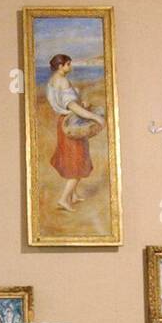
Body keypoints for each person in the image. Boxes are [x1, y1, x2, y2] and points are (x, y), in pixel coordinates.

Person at [45, 54, 106, 211]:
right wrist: (95, 117)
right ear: (61, 66)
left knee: (75, 158)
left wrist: (80, 103)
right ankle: (64, 200)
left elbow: (67, 103)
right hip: (72, 125)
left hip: (64, 123)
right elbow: (72, 107)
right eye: (68, 64)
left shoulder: (52, 80)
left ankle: (73, 195)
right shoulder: (63, 81)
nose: (70, 67)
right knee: (76, 162)